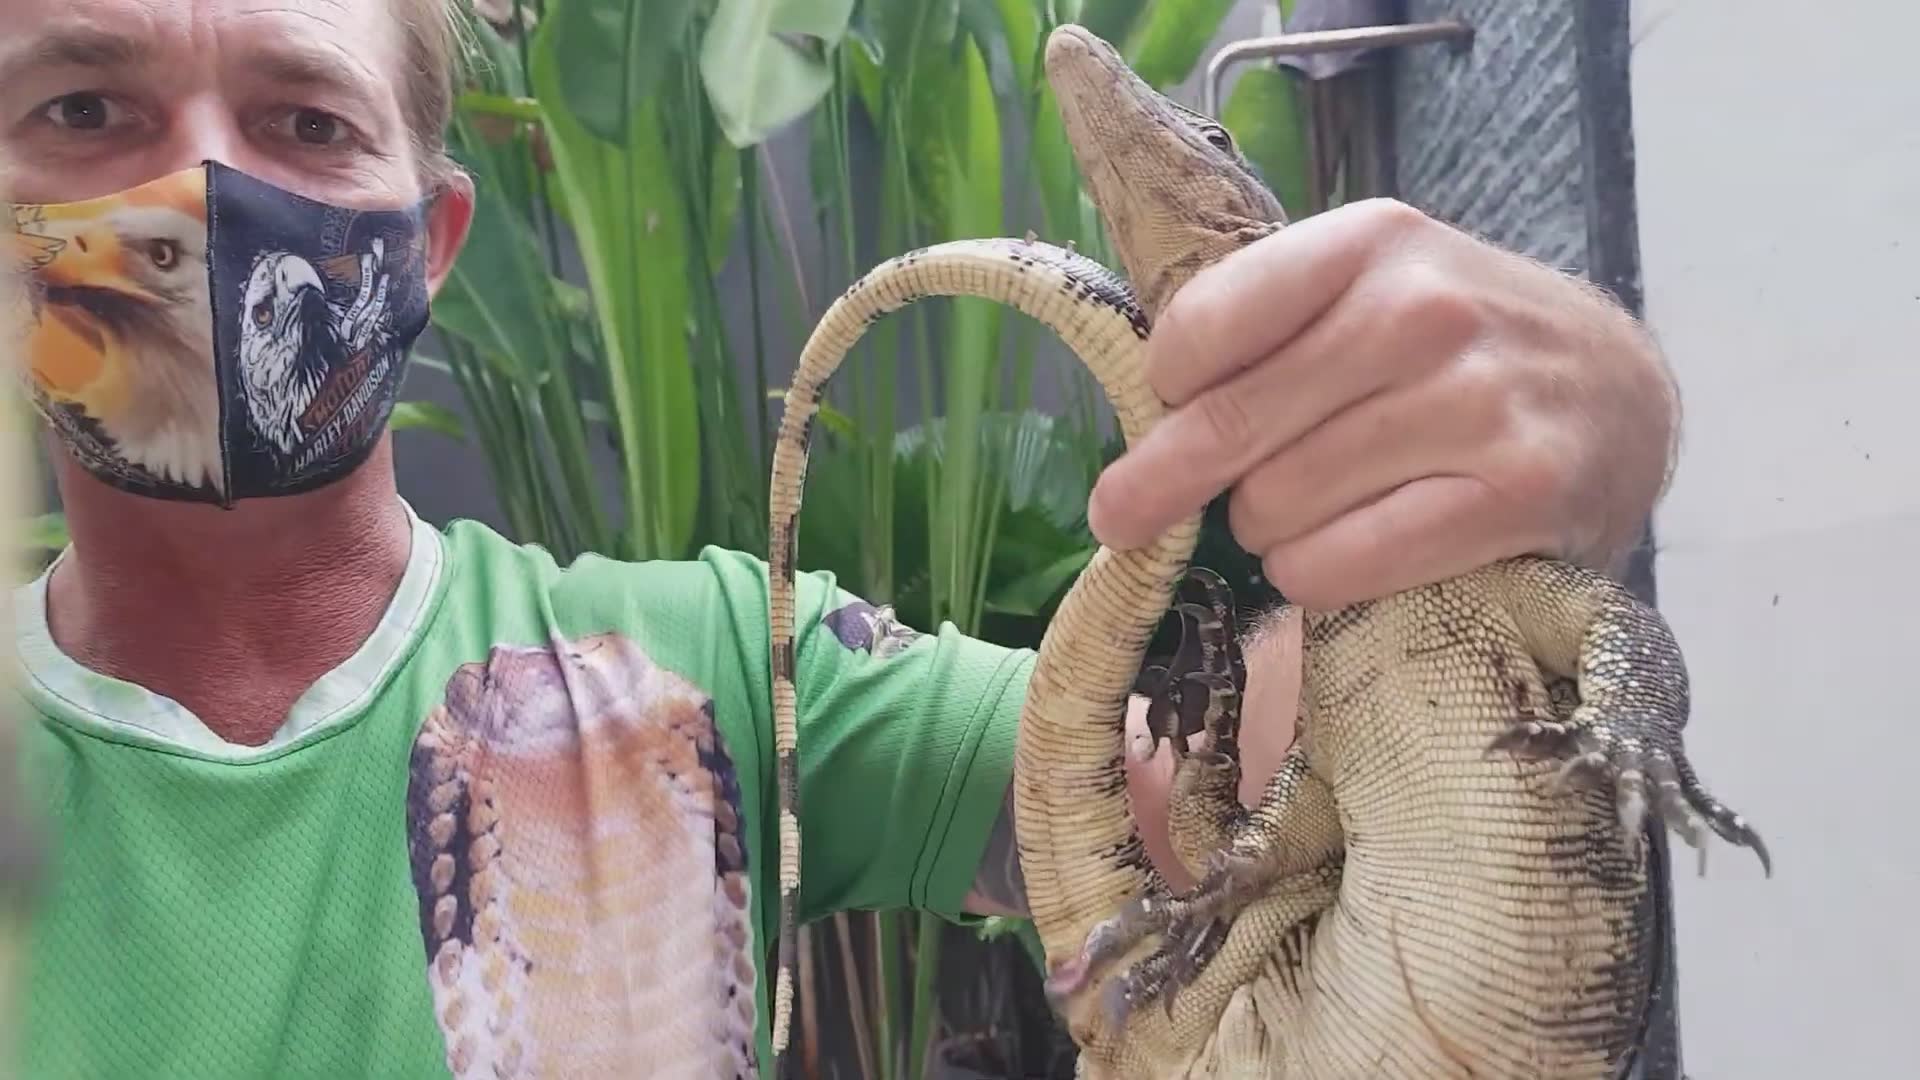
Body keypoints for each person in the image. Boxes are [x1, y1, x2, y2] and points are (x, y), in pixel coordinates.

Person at [0, 0, 1681, 1076]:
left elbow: (1237, 787)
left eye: (306, 122)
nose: (200, 190)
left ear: (432, 241)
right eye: (83, 109)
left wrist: (1574, 447)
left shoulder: (708, 670)